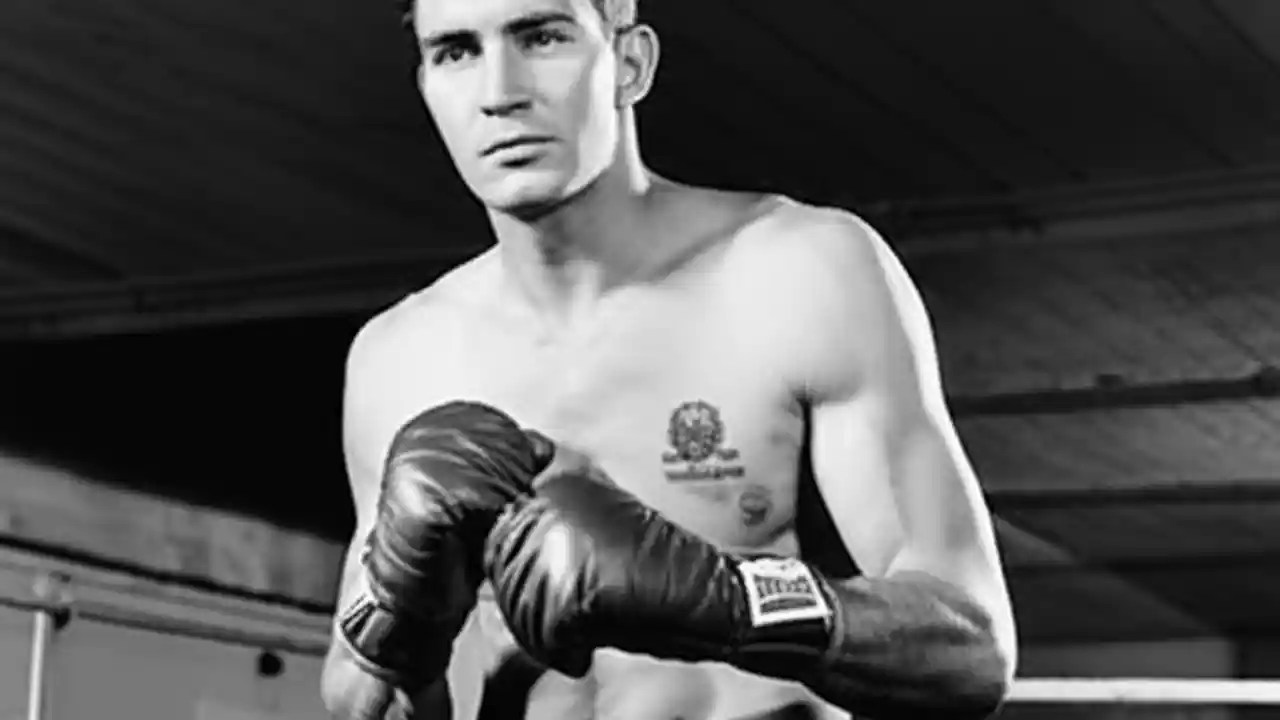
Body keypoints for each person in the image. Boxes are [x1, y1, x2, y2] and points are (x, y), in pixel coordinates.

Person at [320, 0, 1019, 718]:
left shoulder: (799, 273)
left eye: (543, 37)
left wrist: (721, 601)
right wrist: (401, 618)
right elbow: (359, 700)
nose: (500, 92)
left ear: (630, 64)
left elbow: (971, 649)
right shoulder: (398, 356)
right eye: (456, 51)